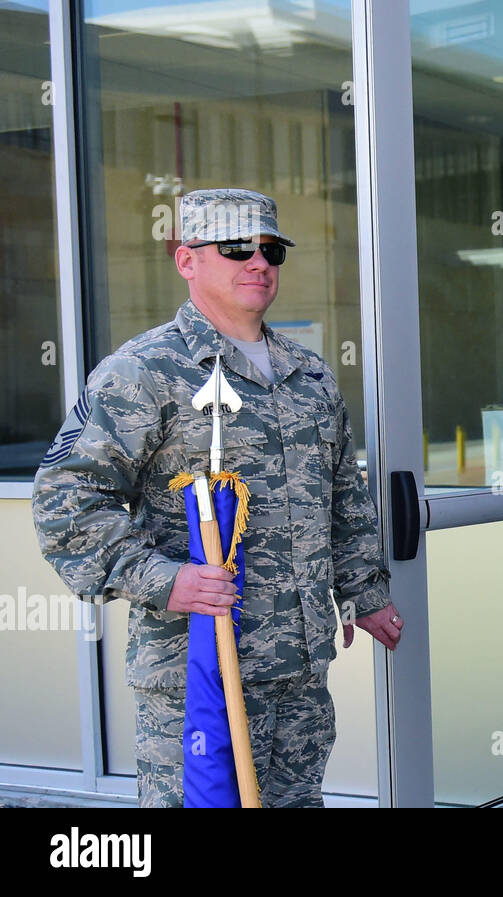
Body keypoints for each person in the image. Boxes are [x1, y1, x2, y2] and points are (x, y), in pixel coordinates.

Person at [32, 188, 400, 807]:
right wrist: (160, 578)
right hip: (198, 674)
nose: (258, 263)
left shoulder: (307, 374)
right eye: (235, 248)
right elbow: (66, 499)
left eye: (271, 250)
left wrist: (364, 593)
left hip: (299, 675)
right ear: (187, 261)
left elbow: (342, 495)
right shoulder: (145, 371)